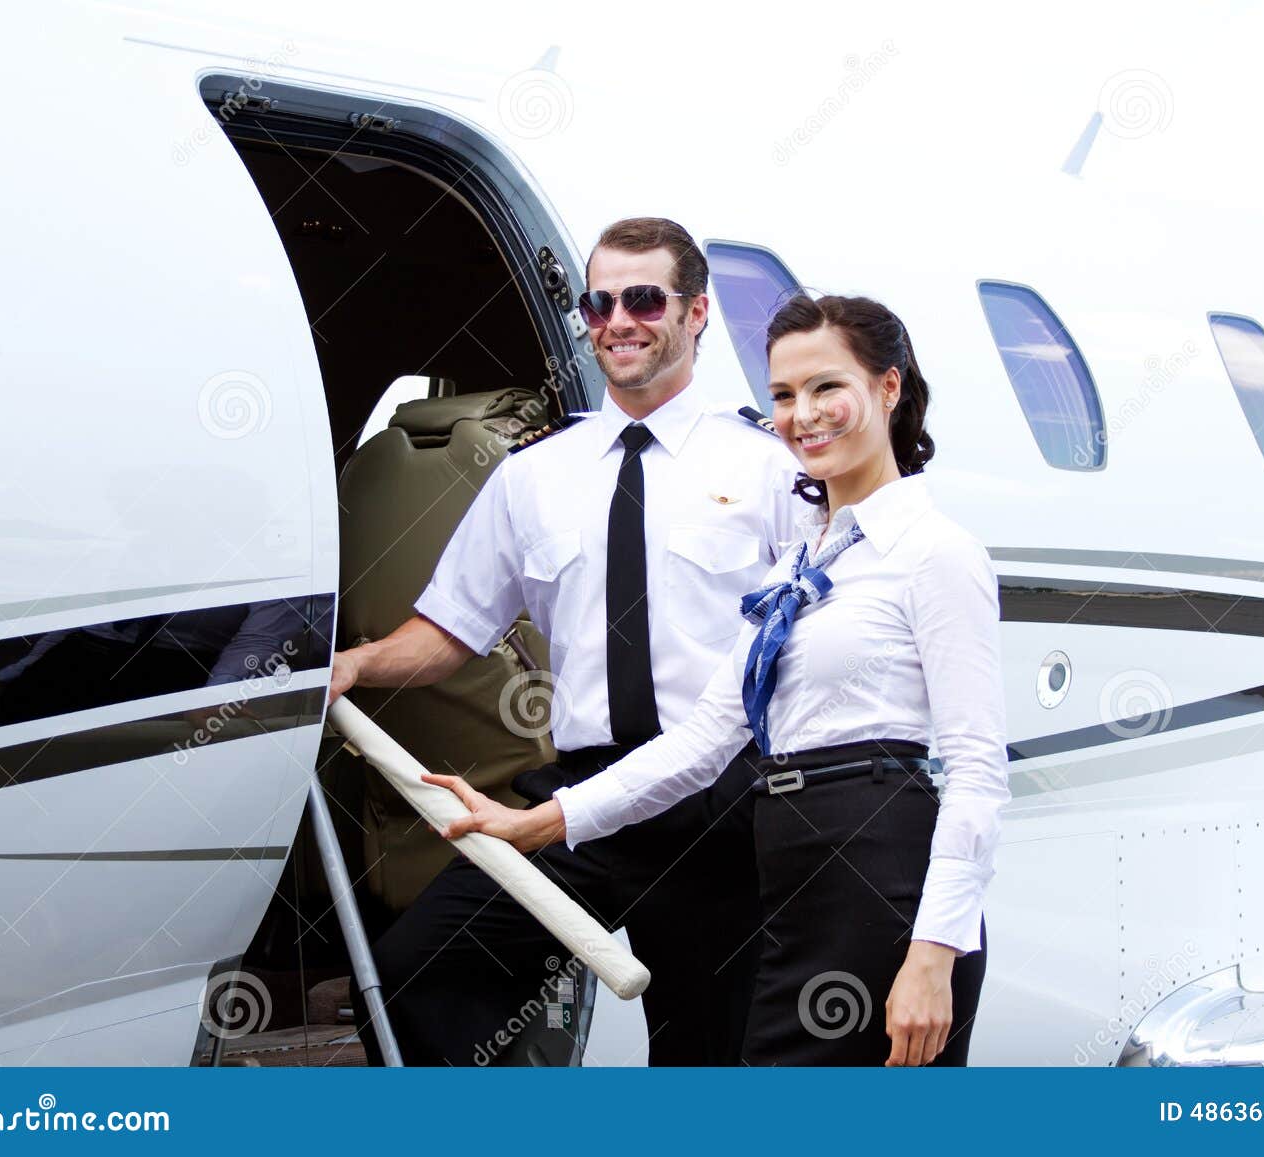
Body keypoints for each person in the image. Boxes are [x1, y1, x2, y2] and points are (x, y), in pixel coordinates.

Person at [425, 294, 1011, 1066]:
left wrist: (934, 954)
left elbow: (976, 768)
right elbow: (702, 742)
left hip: (879, 874)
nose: (803, 415)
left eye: (827, 387)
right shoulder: (801, 566)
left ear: (889, 388)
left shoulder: (934, 552)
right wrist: (533, 823)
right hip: (796, 876)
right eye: (784, 395)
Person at [331, 217, 808, 1065]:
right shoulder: (533, 474)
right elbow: (450, 627)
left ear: (696, 313)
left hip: (722, 801)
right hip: (583, 797)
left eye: (644, 299)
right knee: (418, 972)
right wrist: (355, 666)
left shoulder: (769, 468)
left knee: (709, 1055)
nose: (617, 320)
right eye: (599, 301)